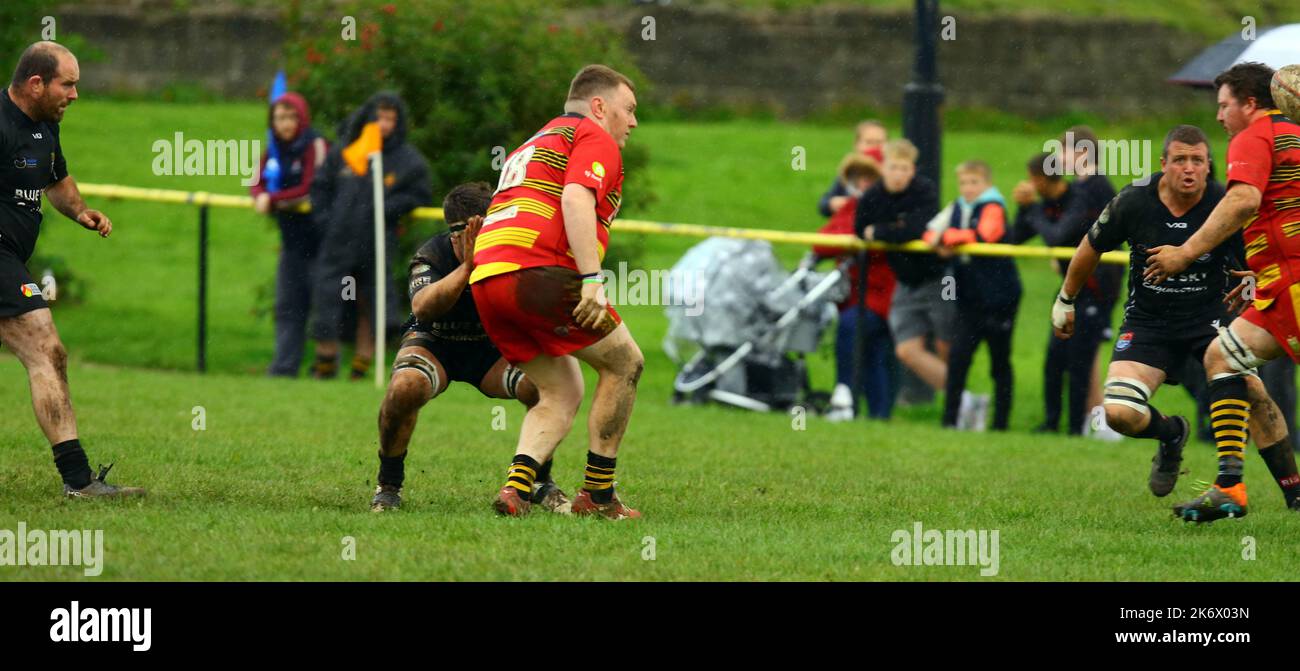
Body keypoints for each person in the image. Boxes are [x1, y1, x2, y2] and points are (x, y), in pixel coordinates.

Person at [1054, 124, 1292, 504]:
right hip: (1148, 324)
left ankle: (1292, 492)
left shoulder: (1225, 202)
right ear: (1163, 164)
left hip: (1211, 321)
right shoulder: (1134, 200)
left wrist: (1251, 282)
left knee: (1253, 391)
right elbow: (1090, 246)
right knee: (1118, 413)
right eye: (1180, 159)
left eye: (1198, 160)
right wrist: (1065, 300)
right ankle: (1171, 435)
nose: (1189, 168)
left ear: (1208, 165)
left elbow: (1258, 258)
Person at [470, 65, 644, 520]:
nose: (633, 122)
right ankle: (598, 497)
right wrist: (592, 278)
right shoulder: (594, 135)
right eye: (629, 109)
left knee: (562, 389)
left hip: (487, 279)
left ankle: (515, 490)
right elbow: (575, 198)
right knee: (625, 363)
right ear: (600, 106)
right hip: (536, 274)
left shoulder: (537, 139)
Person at [1144, 62, 1300, 521]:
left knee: (1223, 358)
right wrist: (1258, 271)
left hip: (1292, 285)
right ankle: (1232, 486)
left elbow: (1243, 201)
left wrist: (1184, 253)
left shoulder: (1254, 135)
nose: (1219, 116)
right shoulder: (1293, 135)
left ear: (1250, 104)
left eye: (1224, 105)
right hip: (1279, 286)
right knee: (1223, 357)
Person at [370, 182, 570, 513]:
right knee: (406, 387)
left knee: (543, 386)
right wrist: (467, 268)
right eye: (472, 231)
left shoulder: (513, 250)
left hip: (491, 349)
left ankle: (537, 481)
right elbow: (423, 308)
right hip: (436, 342)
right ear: (455, 233)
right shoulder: (432, 254)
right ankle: (389, 484)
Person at [1, 42, 143, 497]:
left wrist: (80, 211)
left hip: (10, 258)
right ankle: (78, 479)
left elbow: (55, 179)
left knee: (47, 351)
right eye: (69, 83)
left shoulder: (44, 128)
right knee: (46, 347)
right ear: (37, 83)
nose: (76, 94)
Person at [310, 91, 432, 380]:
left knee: (372, 300)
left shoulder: (407, 160)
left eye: (391, 118)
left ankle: (363, 364)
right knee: (328, 297)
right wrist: (327, 221)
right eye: (379, 116)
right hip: (337, 239)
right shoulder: (346, 151)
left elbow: (419, 193)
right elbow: (320, 189)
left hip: (376, 241)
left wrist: (387, 209)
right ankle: (325, 363)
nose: (384, 124)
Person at [1012, 150, 1115, 436]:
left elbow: (1056, 236)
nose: (1030, 184)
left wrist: (1032, 209)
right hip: (1069, 290)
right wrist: (1024, 209)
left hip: (1094, 289)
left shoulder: (1077, 199)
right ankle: (1051, 422)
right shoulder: (1046, 203)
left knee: (1079, 362)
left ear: (1044, 179)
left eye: (1033, 179)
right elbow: (1015, 236)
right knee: (1054, 359)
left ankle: (1074, 428)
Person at [925, 160, 1020, 431]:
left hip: (1000, 298)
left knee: (999, 361)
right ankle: (950, 421)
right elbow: (931, 232)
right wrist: (941, 239)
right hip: (969, 297)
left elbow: (985, 235)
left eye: (974, 182)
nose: (968, 188)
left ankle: (1001, 424)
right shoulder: (957, 206)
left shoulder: (993, 206)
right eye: (964, 183)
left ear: (987, 184)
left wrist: (949, 237)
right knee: (958, 359)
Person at [855, 139, 948, 396]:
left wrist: (883, 231)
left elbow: (918, 228)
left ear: (912, 170)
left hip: (938, 277)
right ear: (883, 168)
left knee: (947, 345)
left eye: (905, 168)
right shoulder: (873, 195)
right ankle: (960, 398)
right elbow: (861, 229)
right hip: (906, 280)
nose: (899, 175)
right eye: (894, 167)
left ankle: (958, 405)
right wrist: (897, 229)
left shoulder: (924, 190)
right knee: (906, 350)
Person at [812, 152, 895, 421]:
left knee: (851, 330)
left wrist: (853, 236)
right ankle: (876, 415)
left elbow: (876, 243)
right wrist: (851, 235)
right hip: (854, 295)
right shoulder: (852, 207)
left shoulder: (886, 207)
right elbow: (821, 242)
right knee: (871, 352)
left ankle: (845, 400)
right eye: (858, 178)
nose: (863, 184)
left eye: (870, 178)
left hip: (881, 296)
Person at [250, 91, 327, 377]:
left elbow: (310, 188)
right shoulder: (274, 149)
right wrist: (260, 194)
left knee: (324, 307)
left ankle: (325, 370)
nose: (286, 123)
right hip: (292, 243)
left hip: (322, 241)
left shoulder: (315, 145)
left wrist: (272, 199)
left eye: (292, 116)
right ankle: (283, 369)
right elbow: (255, 181)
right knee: (287, 306)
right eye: (280, 117)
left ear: (302, 118)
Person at [818, 120, 887, 218]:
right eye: (869, 142)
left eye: (879, 142)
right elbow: (824, 203)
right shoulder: (851, 172)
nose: (875, 147)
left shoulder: (891, 173)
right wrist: (832, 203)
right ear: (857, 145)